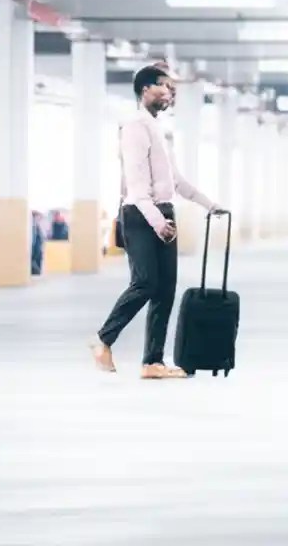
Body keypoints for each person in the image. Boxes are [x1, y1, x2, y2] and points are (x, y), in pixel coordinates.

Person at [89, 62, 226, 379]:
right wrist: (157, 222)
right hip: (141, 215)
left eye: (172, 89)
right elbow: (138, 188)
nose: (170, 93)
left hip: (163, 213)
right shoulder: (135, 127)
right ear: (145, 89)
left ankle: (153, 362)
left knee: (165, 290)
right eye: (164, 86)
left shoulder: (157, 129)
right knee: (145, 283)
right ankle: (102, 339)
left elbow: (175, 181)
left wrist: (209, 205)